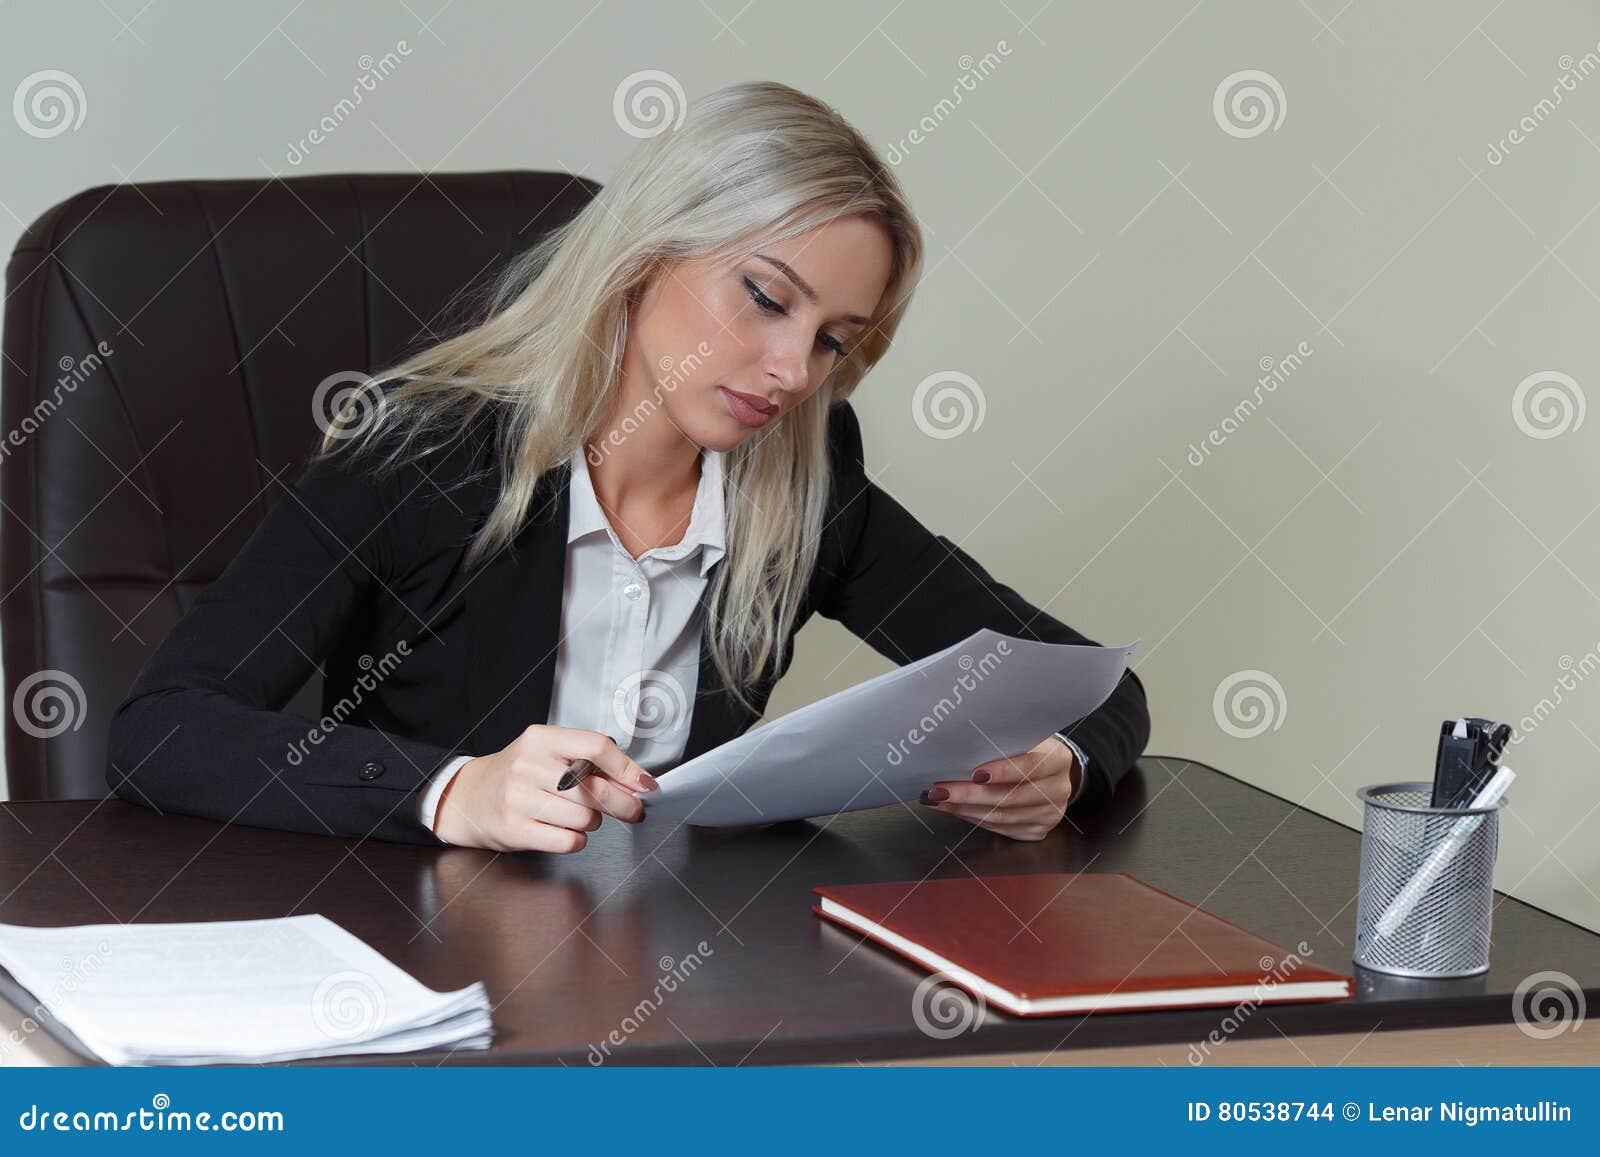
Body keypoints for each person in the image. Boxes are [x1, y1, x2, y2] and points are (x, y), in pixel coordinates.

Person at [107, 80, 1149, 853]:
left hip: (685, 978)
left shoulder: (804, 480)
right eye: (764, 296)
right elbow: (161, 731)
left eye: (835, 337)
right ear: (646, 253)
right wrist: (451, 790)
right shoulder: (417, 453)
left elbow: (1089, 679)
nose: (794, 370)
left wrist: (1059, 762)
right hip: (436, 974)